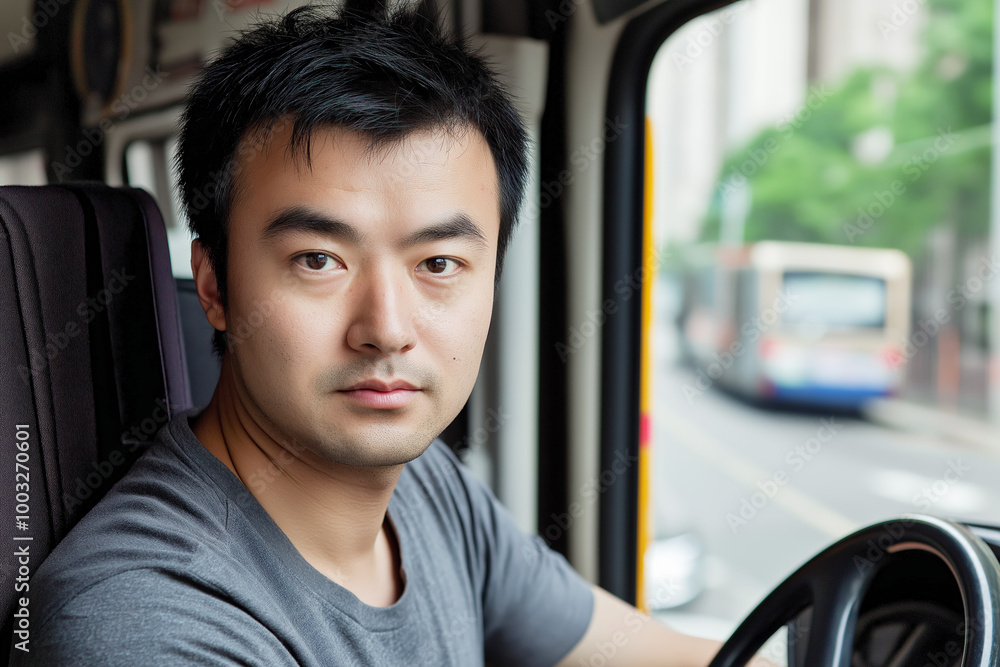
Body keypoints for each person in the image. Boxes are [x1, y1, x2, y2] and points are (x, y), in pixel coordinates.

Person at [12, 5, 723, 665]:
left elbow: (641, 650)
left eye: (439, 263)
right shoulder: (148, 619)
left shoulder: (429, 488)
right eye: (319, 260)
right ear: (214, 287)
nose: (386, 329)